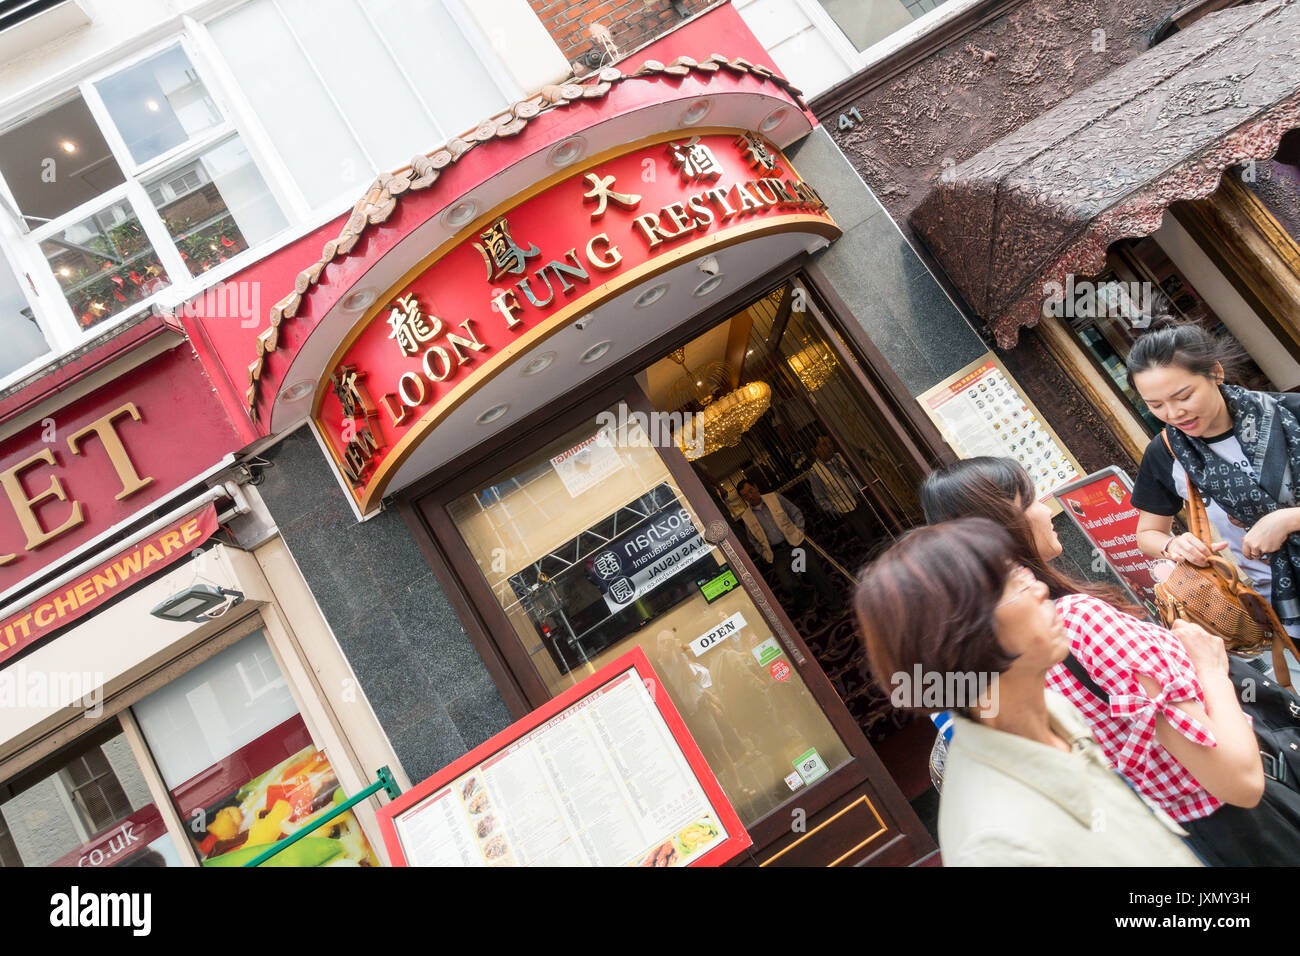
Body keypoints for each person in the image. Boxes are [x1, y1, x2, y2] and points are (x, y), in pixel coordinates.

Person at [918, 456, 1300, 865]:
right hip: (1249, 823)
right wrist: (1210, 669)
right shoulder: (1077, 621)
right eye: (1029, 499)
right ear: (1000, 526)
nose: (1046, 510)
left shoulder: (988, 664)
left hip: (1176, 841)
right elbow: (1238, 781)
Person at [855, 517, 1203, 866]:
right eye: (1012, 582)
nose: (1038, 589)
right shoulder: (997, 844)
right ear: (965, 634)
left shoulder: (1050, 709)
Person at [1128, 322, 1300, 657]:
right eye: (1156, 405)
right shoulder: (1166, 452)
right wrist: (1174, 544)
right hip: (1283, 610)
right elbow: (1147, 534)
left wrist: (1288, 520)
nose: (1174, 413)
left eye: (1184, 396)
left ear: (1216, 373)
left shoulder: (1289, 413)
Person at [736, 478, 840, 609]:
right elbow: (753, 541)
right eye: (745, 495)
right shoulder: (747, 517)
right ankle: (809, 604)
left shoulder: (774, 498)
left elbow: (795, 512)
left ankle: (835, 604)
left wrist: (799, 532)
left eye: (750, 491)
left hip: (794, 543)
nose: (750, 496)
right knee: (789, 584)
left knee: (812, 570)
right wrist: (764, 554)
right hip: (777, 553)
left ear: (756, 487)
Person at [805, 435, 879, 551]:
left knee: (884, 528)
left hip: (865, 497)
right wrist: (838, 509)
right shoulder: (815, 473)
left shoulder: (841, 456)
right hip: (849, 510)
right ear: (814, 451)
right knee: (871, 541)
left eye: (830, 443)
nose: (829, 446)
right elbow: (820, 499)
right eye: (824, 444)